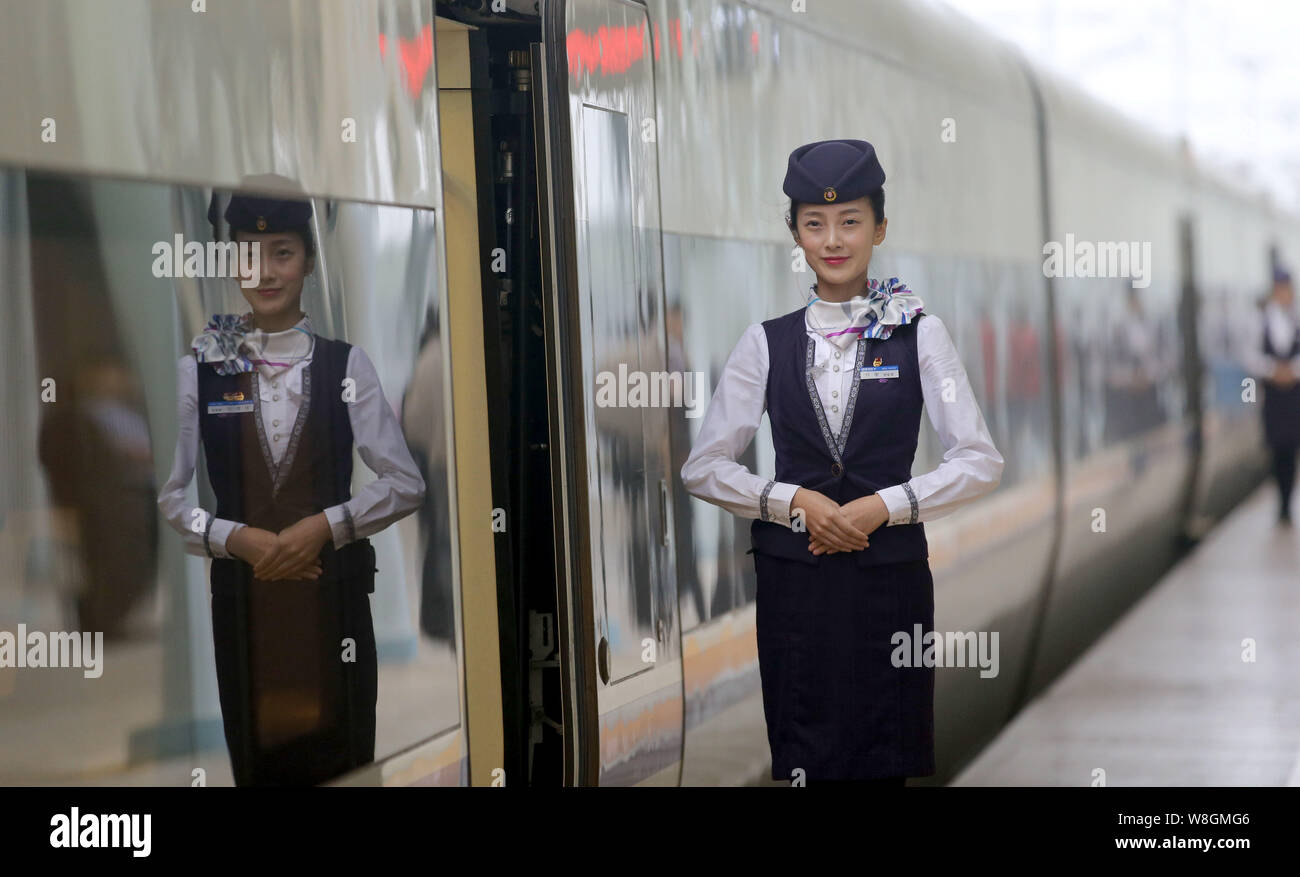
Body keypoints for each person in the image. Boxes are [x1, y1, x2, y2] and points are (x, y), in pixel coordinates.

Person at [680, 139, 1004, 786]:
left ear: (880, 228)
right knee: (808, 760)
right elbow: (703, 465)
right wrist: (792, 501)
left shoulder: (920, 335)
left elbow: (980, 459)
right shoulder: (764, 343)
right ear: (794, 233)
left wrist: (886, 505)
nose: (833, 239)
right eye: (814, 223)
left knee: (887, 761)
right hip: (796, 592)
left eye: (851, 221)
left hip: (890, 586)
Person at [157, 187, 426, 785]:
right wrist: (237, 539)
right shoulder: (204, 364)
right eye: (248, 254)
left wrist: (325, 527)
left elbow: (405, 483)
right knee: (259, 766)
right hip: (245, 607)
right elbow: (174, 500)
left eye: (282, 252)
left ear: (308, 260)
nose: (265, 271)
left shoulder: (344, 364)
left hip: (333, 605)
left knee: (346, 761)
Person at [1241, 268, 1300, 523]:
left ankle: (1287, 500)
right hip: (1275, 397)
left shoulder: (1297, 318)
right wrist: (1273, 370)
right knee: (1279, 447)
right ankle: (1283, 501)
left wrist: (1293, 371)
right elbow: (1249, 356)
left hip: (1295, 394)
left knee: (1293, 446)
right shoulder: (1260, 320)